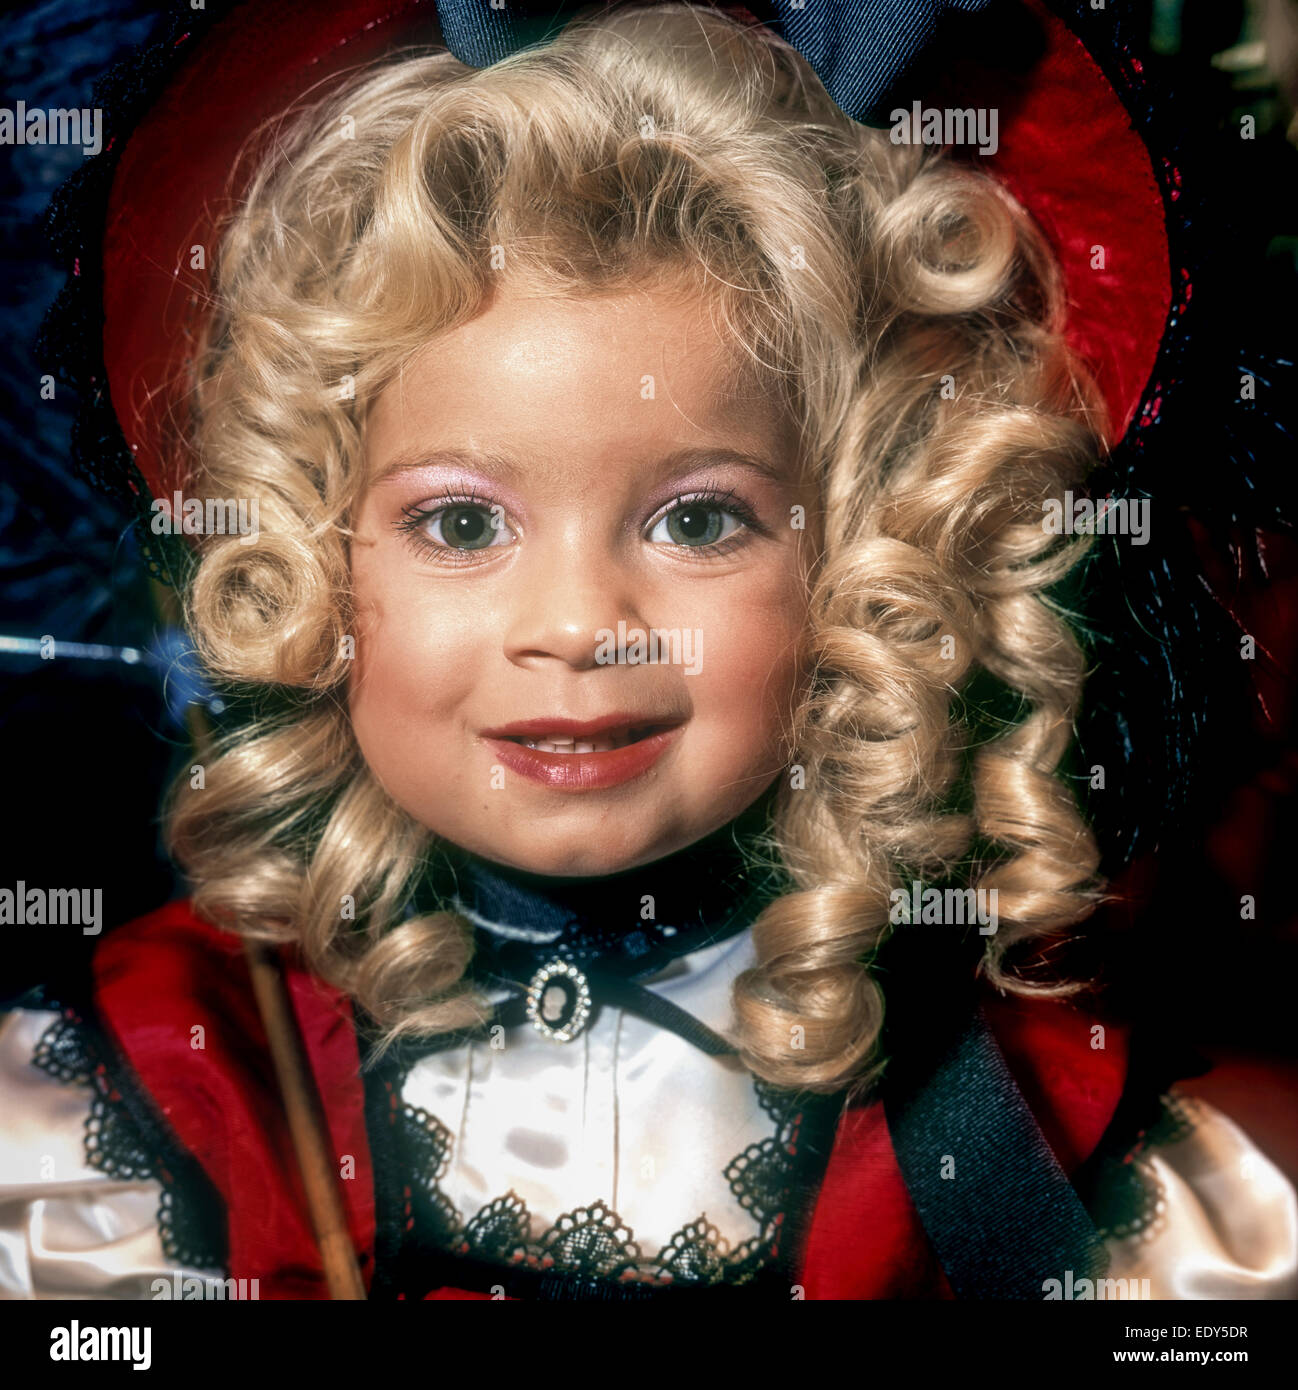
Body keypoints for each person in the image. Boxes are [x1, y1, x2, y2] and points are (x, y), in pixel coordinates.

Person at [2, 0, 1295, 1300]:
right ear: (316, 555)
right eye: (459, 521)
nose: (573, 625)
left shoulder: (1069, 1145)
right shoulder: (144, 1096)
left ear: (863, 561)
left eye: (697, 519)